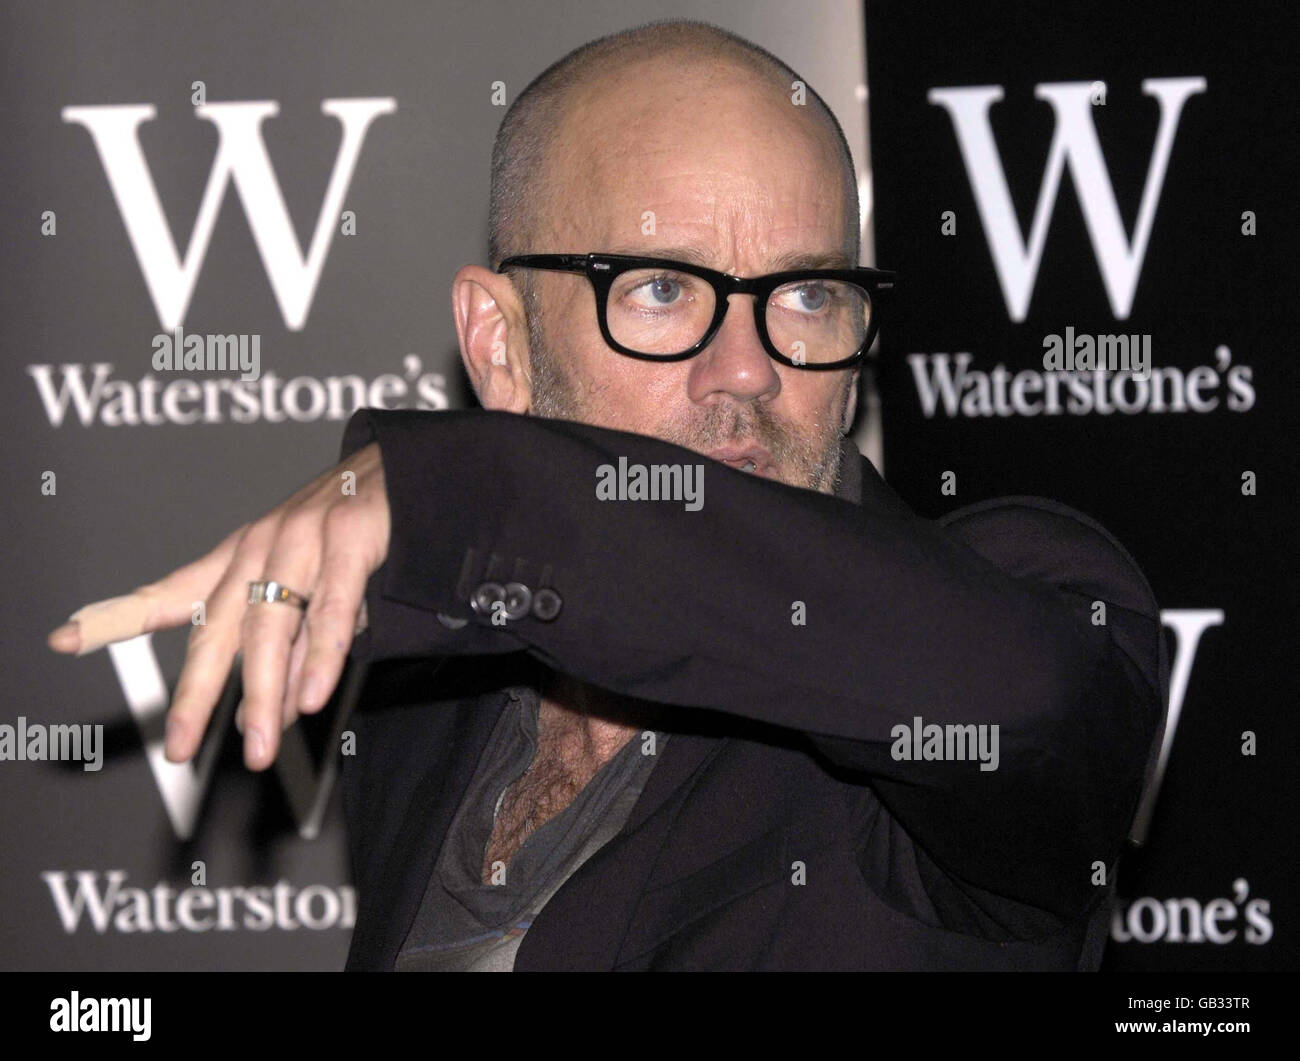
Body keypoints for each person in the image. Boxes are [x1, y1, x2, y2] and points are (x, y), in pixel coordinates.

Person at [46, 20, 1166, 971]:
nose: (748, 370)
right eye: (663, 288)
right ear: (501, 344)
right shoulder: (428, 699)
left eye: (808, 293)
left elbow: (1030, 700)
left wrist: (458, 494)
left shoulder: (1001, 607)